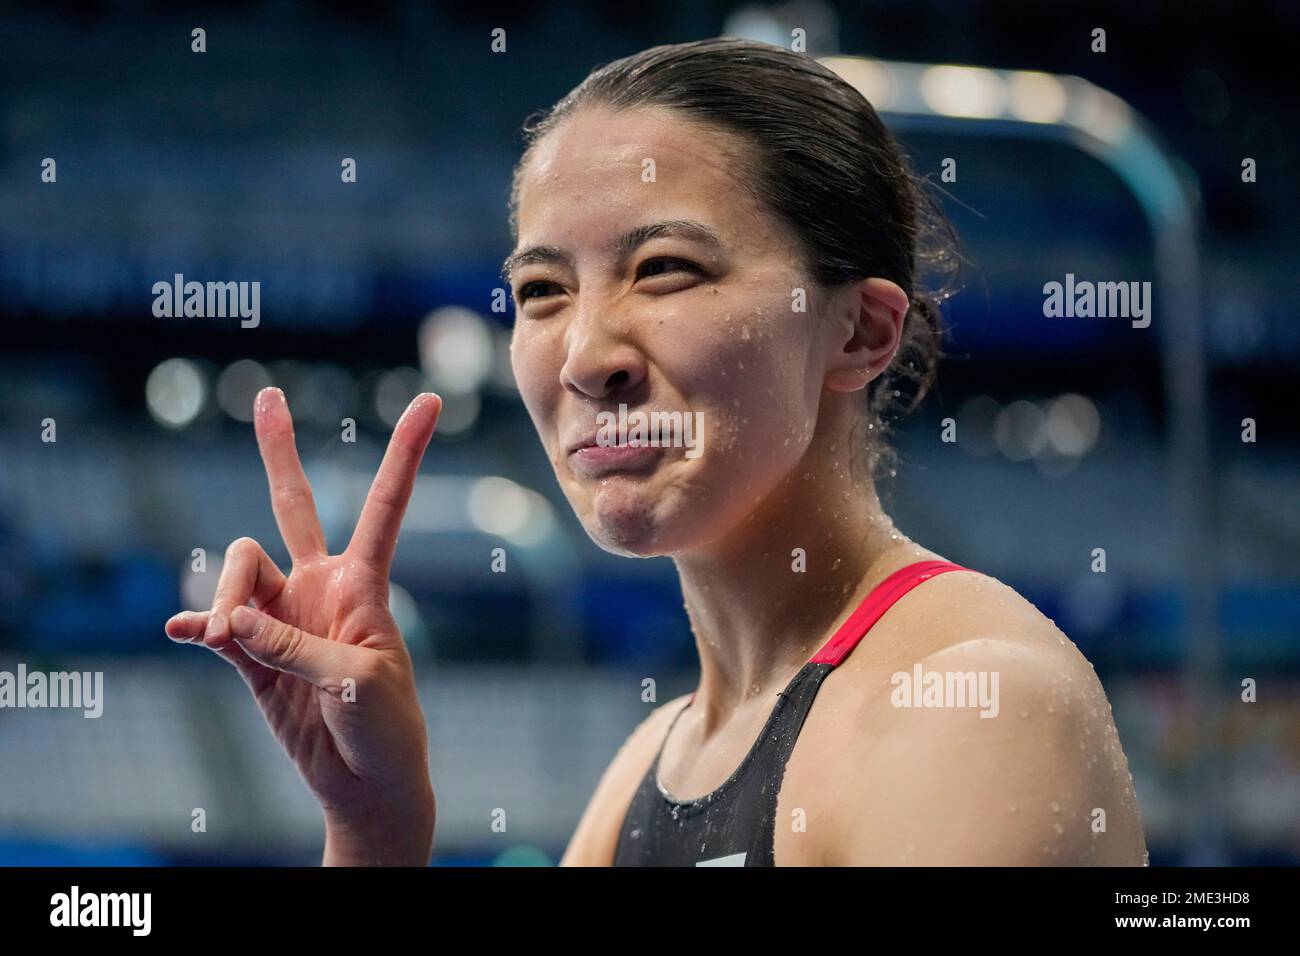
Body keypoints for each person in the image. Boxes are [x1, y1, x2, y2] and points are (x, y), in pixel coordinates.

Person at [165, 37, 1146, 866]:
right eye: (544, 290)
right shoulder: (649, 766)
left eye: (666, 269)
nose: (588, 355)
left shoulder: (974, 704)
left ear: (857, 332)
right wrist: (373, 826)